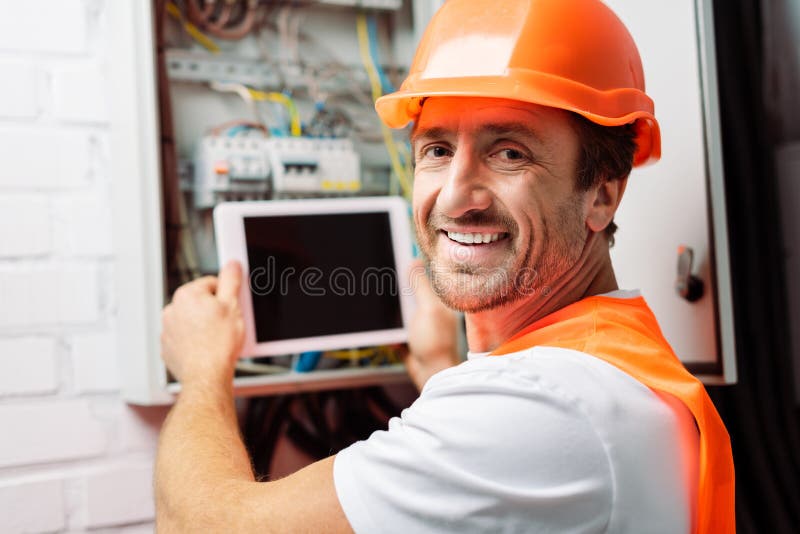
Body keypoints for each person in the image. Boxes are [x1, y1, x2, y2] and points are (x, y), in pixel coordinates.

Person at [155, 0, 735, 532]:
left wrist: (203, 368)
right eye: (436, 150)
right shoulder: (606, 364)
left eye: (510, 152)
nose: (457, 197)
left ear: (602, 195)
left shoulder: (548, 404)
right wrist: (440, 365)